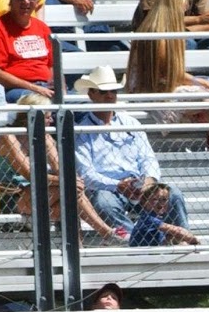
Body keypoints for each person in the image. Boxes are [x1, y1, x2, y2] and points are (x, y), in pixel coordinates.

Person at [72, 65, 193, 236]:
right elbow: (86, 174)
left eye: (113, 91)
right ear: (91, 94)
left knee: (174, 195)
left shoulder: (131, 123)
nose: (110, 95)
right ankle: (134, 239)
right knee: (104, 202)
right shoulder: (81, 130)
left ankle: (182, 237)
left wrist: (149, 182)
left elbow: (148, 158)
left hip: (140, 185)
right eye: (103, 91)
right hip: (108, 189)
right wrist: (117, 185)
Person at [0, 94, 123, 242]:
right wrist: (67, 181)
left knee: (72, 199)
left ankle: (82, 247)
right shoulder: (9, 137)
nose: (51, 120)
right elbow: (30, 174)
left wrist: (69, 179)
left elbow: (61, 169)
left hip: (42, 193)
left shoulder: (44, 136)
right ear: (32, 117)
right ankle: (106, 232)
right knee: (70, 189)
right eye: (47, 117)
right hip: (11, 196)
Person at [126, 0, 209, 129]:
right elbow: (168, 73)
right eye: (184, 3)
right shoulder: (157, 34)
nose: (186, 7)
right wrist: (205, 83)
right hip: (149, 91)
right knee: (204, 93)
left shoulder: (162, 30)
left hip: (161, 87)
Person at [0, 0, 52, 100]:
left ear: (37, 2)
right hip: (15, 89)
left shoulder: (43, 28)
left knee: (83, 105)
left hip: (46, 87)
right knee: (39, 104)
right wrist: (35, 88)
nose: (26, 1)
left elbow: (53, 65)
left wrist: (60, 87)